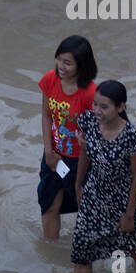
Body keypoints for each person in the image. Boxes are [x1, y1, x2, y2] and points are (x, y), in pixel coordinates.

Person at [72, 80, 136, 273]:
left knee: (130, 247)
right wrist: (78, 186)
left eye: (104, 106)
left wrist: (129, 215)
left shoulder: (130, 136)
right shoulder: (89, 121)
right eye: (95, 104)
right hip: (93, 197)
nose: (97, 110)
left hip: (121, 204)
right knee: (82, 248)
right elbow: (85, 153)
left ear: (121, 107)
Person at [38, 36, 98, 239]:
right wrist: (49, 153)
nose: (60, 66)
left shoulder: (91, 94)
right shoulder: (50, 79)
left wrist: (79, 178)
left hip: (80, 161)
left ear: (81, 65)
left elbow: (92, 140)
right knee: (49, 205)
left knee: (86, 210)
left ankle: (83, 256)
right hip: (54, 156)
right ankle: (50, 254)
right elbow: (46, 115)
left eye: (67, 62)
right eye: (58, 59)